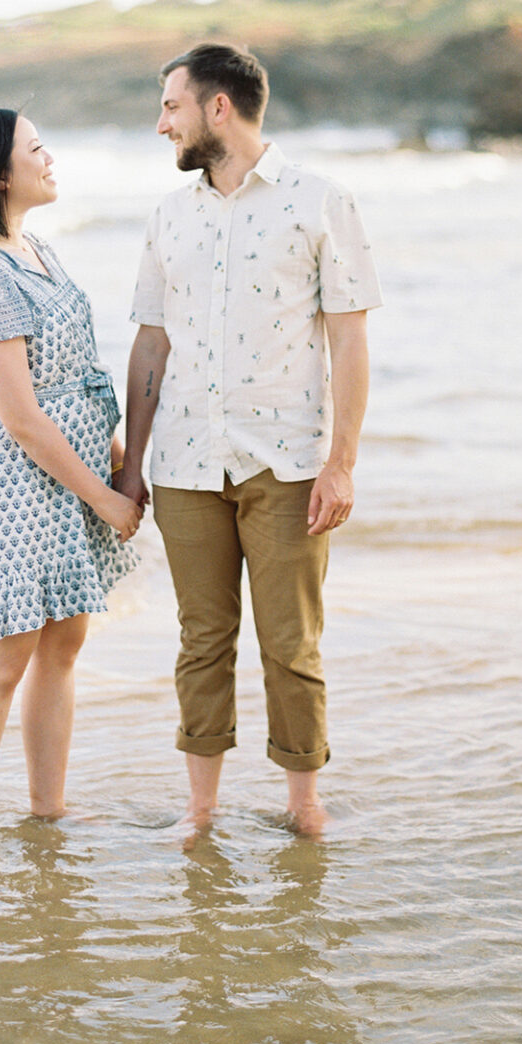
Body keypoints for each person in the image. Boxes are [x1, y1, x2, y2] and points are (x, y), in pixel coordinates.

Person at [116, 44, 381, 836]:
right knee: (201, 642)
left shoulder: (317, 201)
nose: (161, 123)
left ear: (217, 107)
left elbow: (349, 339)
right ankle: (200, 814)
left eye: (171, 106)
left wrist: (341, 464)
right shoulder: (168, 216)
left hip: (289, 463)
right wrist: (132, 466)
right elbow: (150, 345)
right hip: (187, 466)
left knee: (289, 643)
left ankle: (303, 806)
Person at [0, 108, 141, 835]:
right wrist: (108, 501)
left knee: (65, 642)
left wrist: (114, 464)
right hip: (13, 480)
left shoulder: (39, 250)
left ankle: (48, 809)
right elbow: (20, 416)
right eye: (36, 149)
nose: (51, 160)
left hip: (71, 467)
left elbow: (77, 374)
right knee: (6, 656)